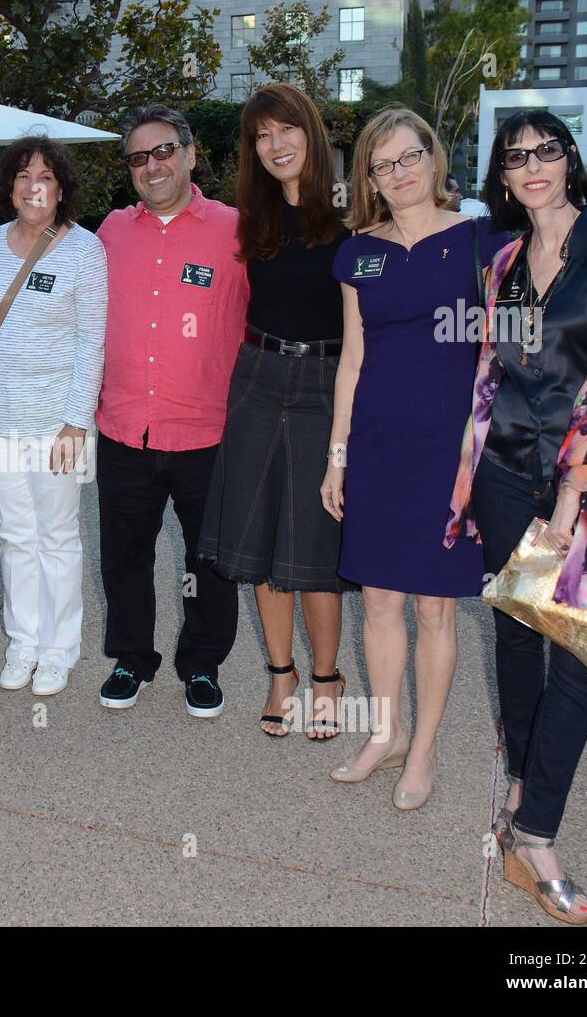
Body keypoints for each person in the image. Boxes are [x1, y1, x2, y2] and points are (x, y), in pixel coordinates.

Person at [448, 110, 587, 924]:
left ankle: (533, 838)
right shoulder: (493, 253)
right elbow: (493, 363)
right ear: (502, 176)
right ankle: (524, 784)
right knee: (518, 633)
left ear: (571, 162)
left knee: (578, 654)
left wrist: (572, 492)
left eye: (548, 151)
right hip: (504, 471)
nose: (533, 166)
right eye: (517, 156)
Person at [322, 108, 501, 808]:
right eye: (381, 165)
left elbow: (509, 347)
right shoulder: (357, 252)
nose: (397, 174)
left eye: (408, 158)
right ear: (367, 177)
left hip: (450, 453)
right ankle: (386, 733)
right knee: (379, 600)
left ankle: (422, 751)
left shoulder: (483, 240)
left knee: (435, 608)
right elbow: (352, 361)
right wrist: (337, 457)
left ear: (434, 158)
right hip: (377, 447)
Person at [198, 83, 350, 740]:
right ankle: (281, 673)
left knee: (314, 543)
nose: (275, 144)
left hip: (326, 379)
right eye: (262, 136)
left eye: (286, 129)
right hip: (258, 376)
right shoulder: (250, 219)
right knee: (259, 542)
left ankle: (326, 677)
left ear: (310, 134)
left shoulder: (353, 214)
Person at [95, 104, 247, 718]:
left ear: (189, 153)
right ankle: (132, 657)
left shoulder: (238, 230)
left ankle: (202, 665)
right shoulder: (108, 232)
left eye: (163, 152)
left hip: (208, 433)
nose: (152, 166)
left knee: (208, 561)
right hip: (125, 428)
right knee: (124, 557)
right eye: (138, 157)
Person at [0, 135, 107, 697]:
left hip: (58, 424)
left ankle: (59, 648)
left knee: (59, 536)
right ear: (10, 187)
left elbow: (91, 343)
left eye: (45, 174)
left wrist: (76, 421)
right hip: (0, 418)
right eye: (22, 174)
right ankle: (23, 641)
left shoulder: (84, 250)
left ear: (61, 186)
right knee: (15, 536)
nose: (33, 184)